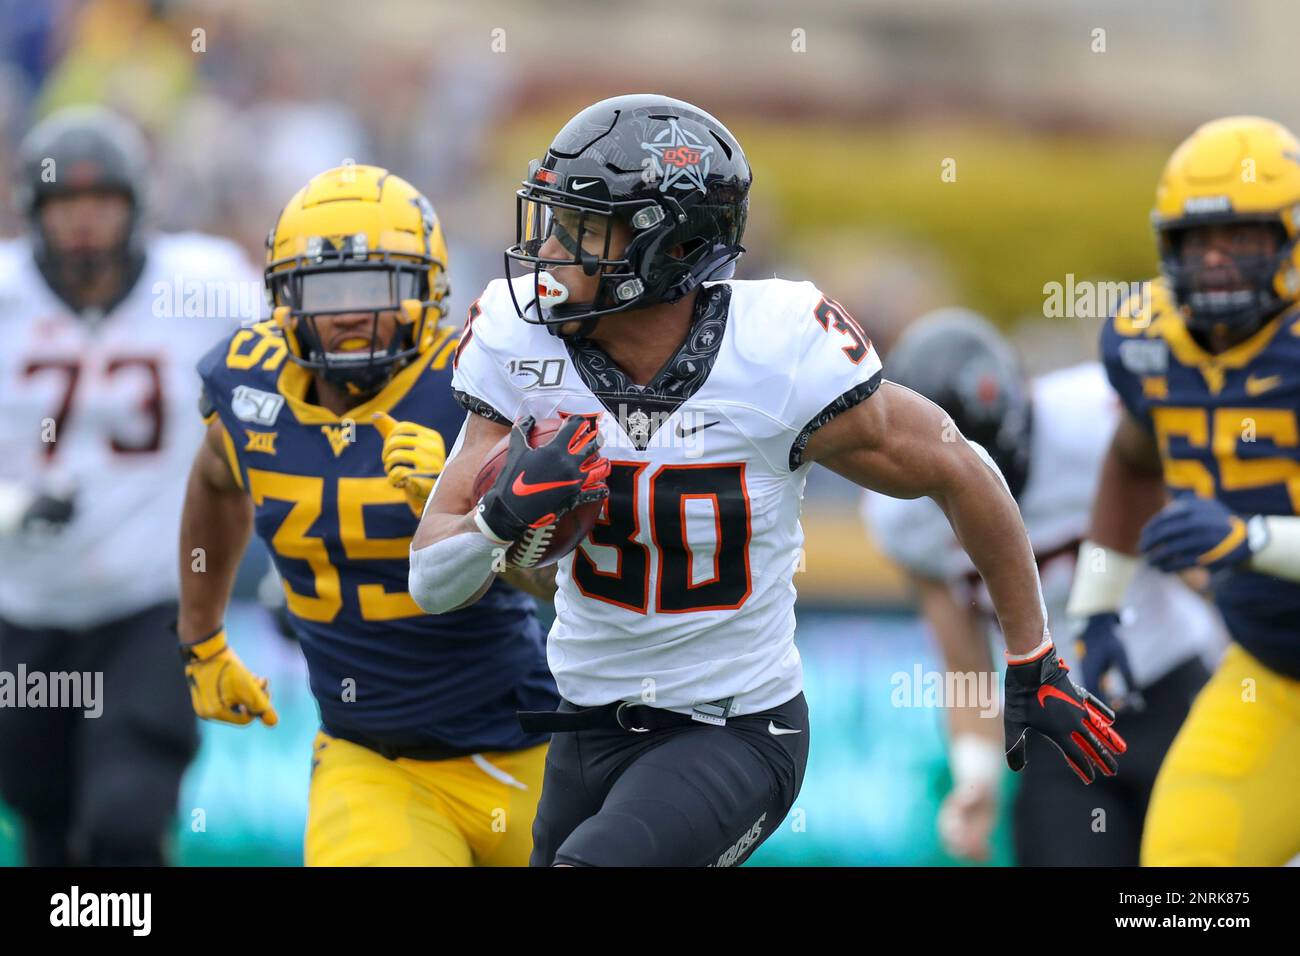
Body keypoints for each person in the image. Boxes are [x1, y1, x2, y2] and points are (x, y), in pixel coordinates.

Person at [407, 94, 1126, 867]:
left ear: (666, 249)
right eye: (553, 222)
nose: (548, 251)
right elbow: (429, 579)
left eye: (581, 229)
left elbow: (961, 466)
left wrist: (1032, 655)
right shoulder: (521, 348)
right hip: (587, 723)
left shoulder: (776, 353)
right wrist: (500, 521)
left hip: (735, 731)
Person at [177, 164, 559, 866]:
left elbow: (559, 584)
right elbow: (212, 479)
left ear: (428, 291)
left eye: (375, 288)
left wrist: (466, 519)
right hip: (372, 761)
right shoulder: (249, 387)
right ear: (284, 298)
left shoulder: (476, 389)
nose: (349, 312)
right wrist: (201, 638)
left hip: (526, 750)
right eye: (325, 291)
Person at [862, 309, 1224, 864]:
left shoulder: (1095, 419)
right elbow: (964, 663)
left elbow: (1202, 549)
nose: (984, 490)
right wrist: (977, 774)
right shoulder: (901, 515)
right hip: (1059, 722)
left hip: (1171, 681)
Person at [0, 105, 255, 865]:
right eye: (66, 205)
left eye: (100, 204)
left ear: (136, 207)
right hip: (24, 609)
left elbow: (295, 377)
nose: (83, 224)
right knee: (42, 816)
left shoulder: (206, 284)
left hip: (151, 603)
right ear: (33, 211)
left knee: (124, 819)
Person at [1073, 115, 1300, 866]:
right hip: (1275, 674)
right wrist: (1101, 605)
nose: (1215, 262)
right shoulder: (1148, 342)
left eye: (1239, 237)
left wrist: (1247, 541)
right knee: (1184, 878)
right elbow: (1136, 460)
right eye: (1195, 242)